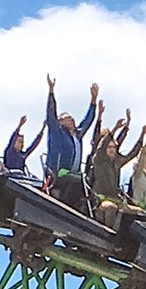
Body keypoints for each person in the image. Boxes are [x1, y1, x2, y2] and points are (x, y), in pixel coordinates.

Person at [44, 74, 99, 212]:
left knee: (86, 184)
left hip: (74, 174)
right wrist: (51, 91)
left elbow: (88, 120)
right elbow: (51, 114)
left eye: (71, 118)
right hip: (58, 173)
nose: (71, 120)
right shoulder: (57, 132)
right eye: (67, 118)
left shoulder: (78, 135)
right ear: (61, 122)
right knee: (75, 183)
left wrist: (93, 101)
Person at [89, 124, 146, 228]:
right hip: (100, 200)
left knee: (140, 212)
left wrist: (142, 136)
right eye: (109, 147)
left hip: (116, 199)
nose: (112, 149)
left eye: (114, 147)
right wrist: (115, 128)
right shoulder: (99, 160)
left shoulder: (117, 163)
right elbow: (102, 146)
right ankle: (108, 235)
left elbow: (133, 153)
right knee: (111, 207)